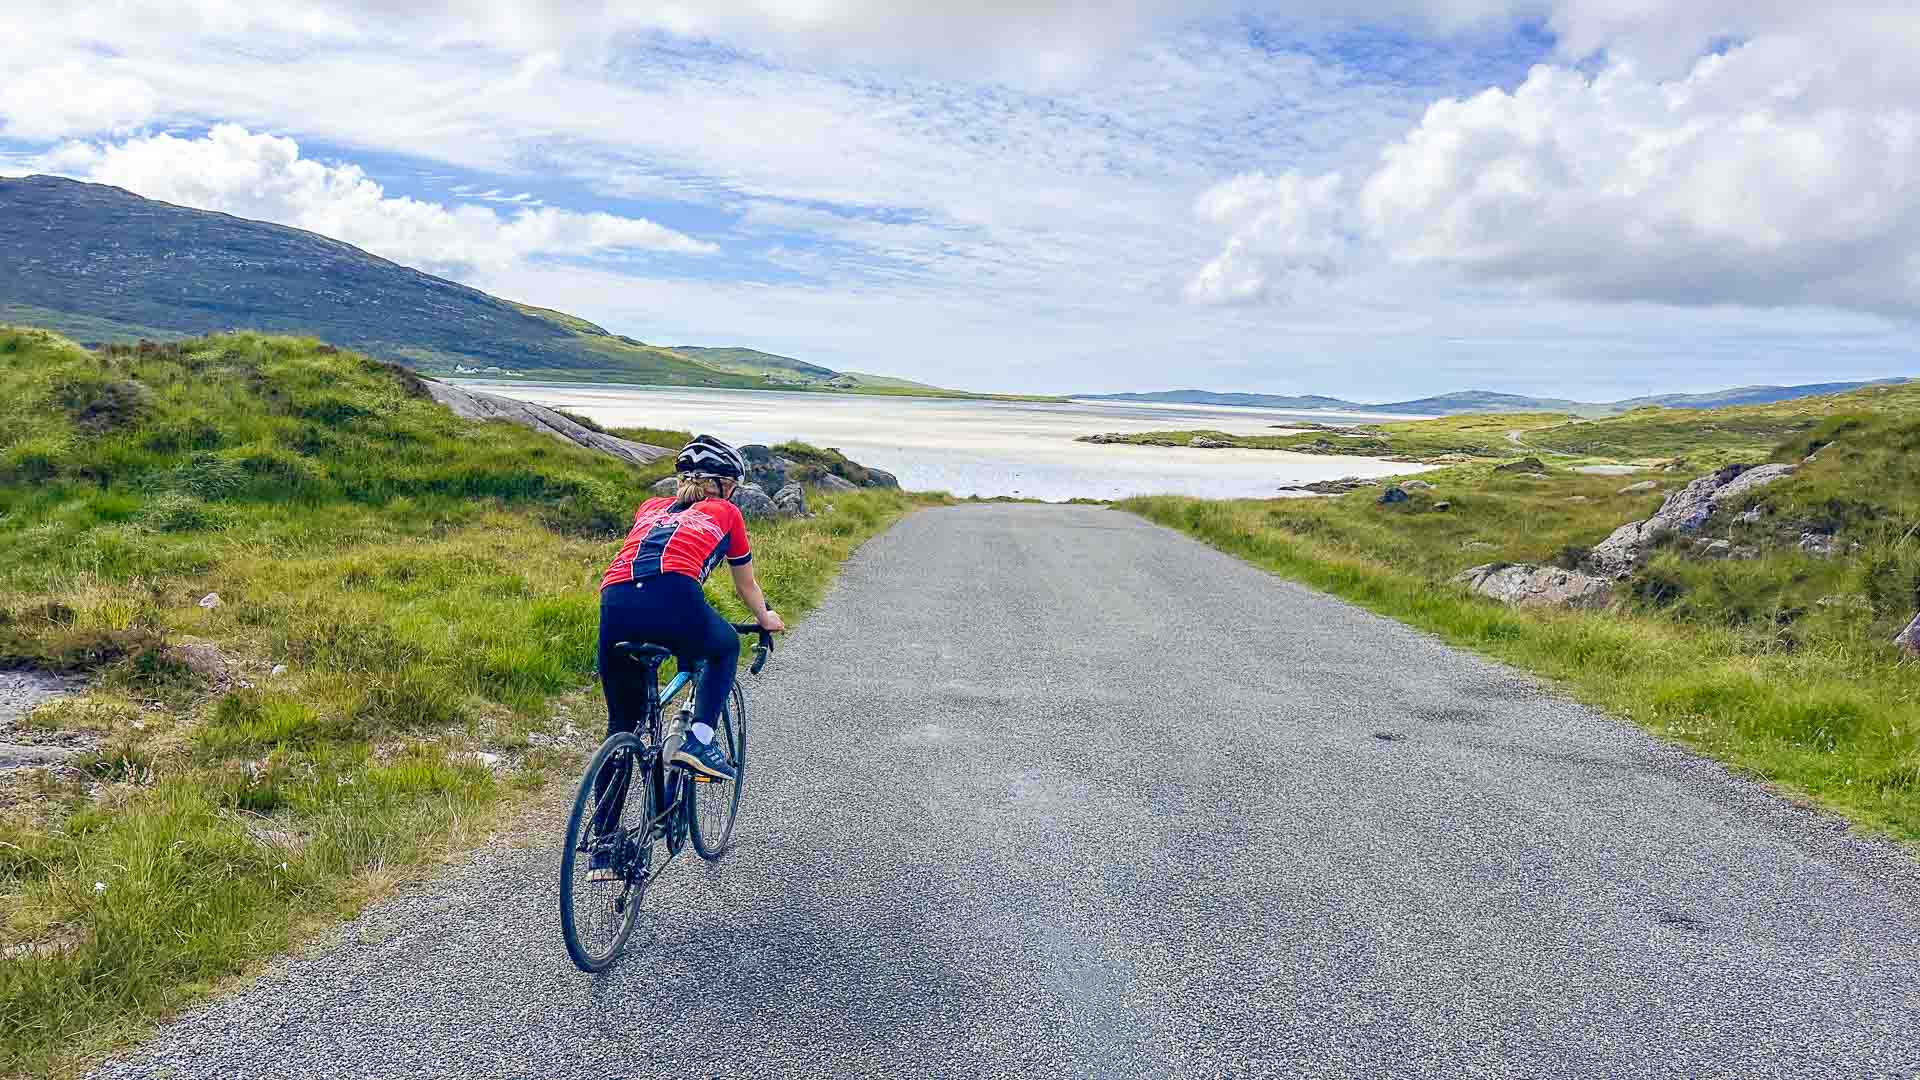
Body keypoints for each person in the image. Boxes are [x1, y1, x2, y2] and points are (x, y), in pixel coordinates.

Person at [597, 435, 784, 783]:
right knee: (725, 645)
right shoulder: (727, 512)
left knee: (622, 724)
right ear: (721, 485)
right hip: (673, 593)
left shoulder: (650, 506)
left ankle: (603, 835)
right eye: (730, 485)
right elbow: (746, 585)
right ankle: (700, 742)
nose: (731, 492)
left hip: (614, 598)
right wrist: (766, 618)